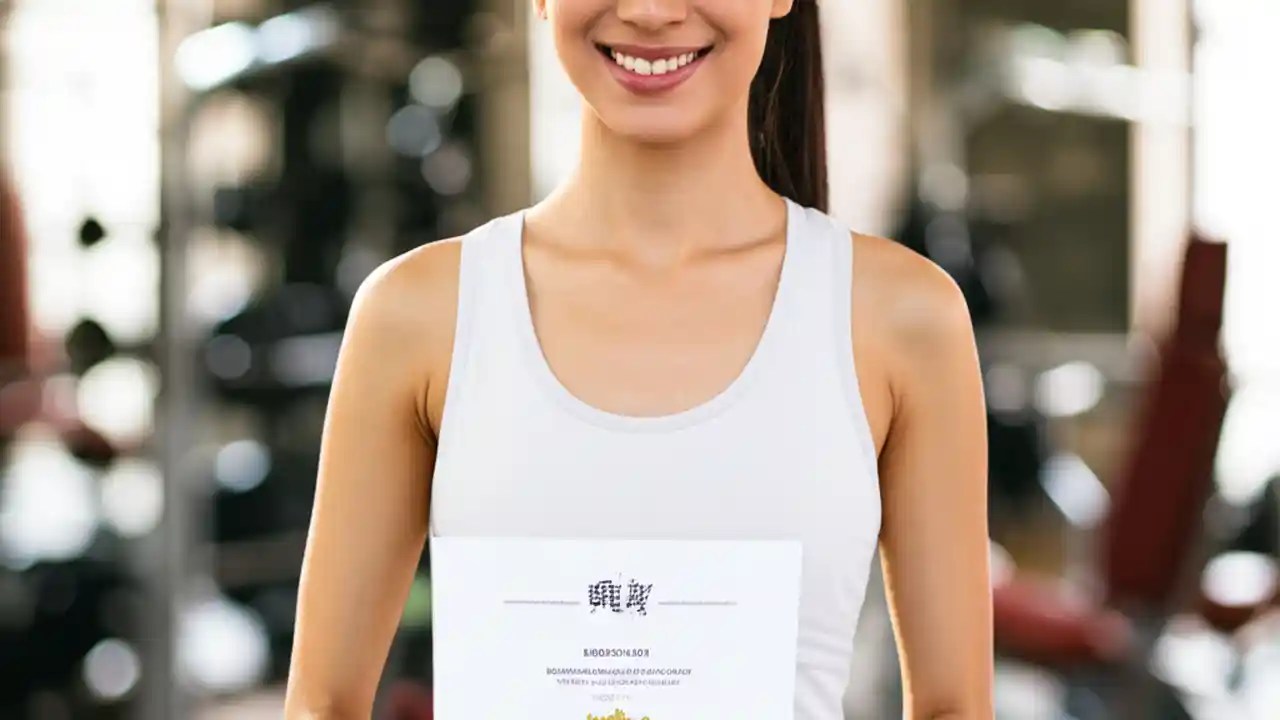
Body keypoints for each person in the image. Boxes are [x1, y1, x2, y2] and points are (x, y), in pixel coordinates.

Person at [284, 1, 993, 718]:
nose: (651, 11)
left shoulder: (901, 318)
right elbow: (323, 705)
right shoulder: (415, 315)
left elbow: (953, 707)